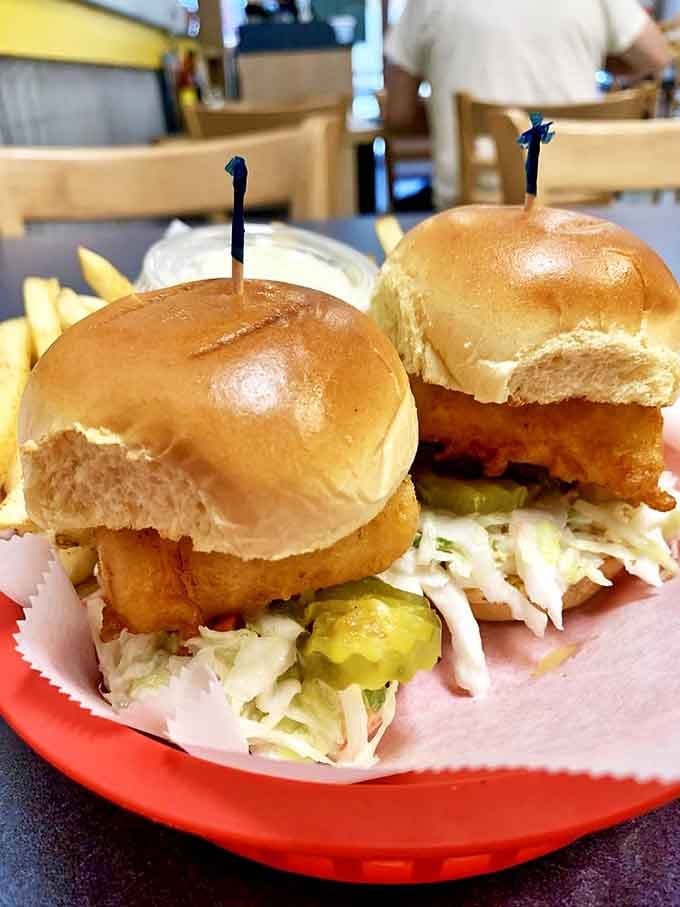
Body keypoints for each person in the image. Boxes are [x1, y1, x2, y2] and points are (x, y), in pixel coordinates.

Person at [384, 0, 672, 209]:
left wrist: (448, 117)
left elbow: (397, 114)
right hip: (579, 208)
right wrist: (595, 56)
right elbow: (657, 55)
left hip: (472, 215)